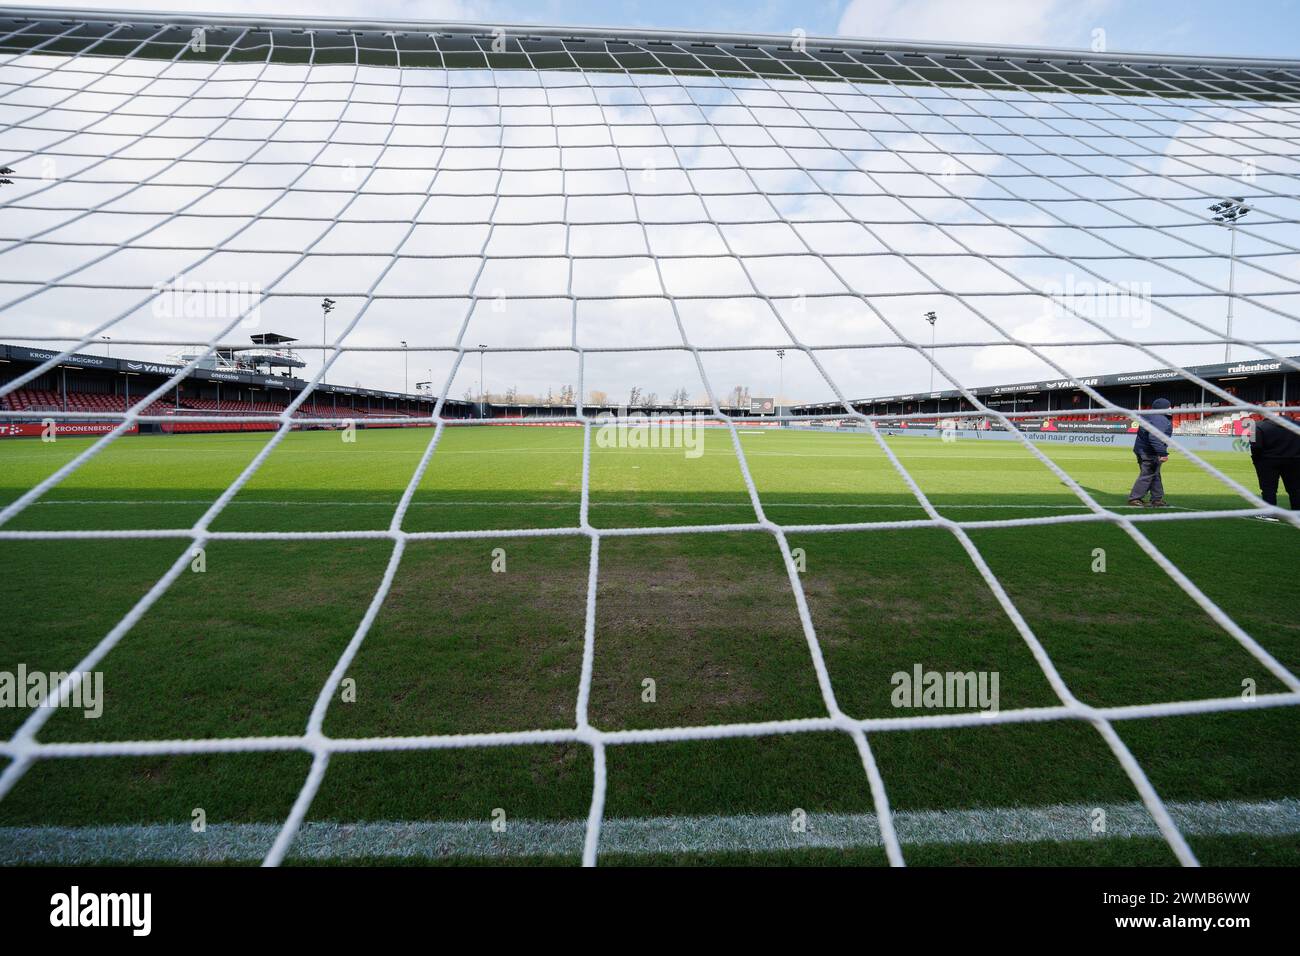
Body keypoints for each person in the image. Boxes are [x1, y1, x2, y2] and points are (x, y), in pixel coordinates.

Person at [1249, 401, 1300, 519]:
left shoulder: (1255, 426)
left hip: (1267, 461)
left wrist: (1256, 459)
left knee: (1268, 488)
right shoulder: (1297, 424)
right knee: (1296, 489)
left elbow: (1255, 446)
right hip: (1294, 460)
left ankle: (1269, 514)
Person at [1128, 397, 1173, 507]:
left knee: (1154, 474)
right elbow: (1154, 437)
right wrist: (1162, 453)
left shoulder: (1147, 416)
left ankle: (1157, 499)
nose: (1171, 408)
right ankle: (1135, 498)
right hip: (1150, 452)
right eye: (1169, 406)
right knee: (1147, 475)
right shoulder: (1160, 419)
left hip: (1141, 450)